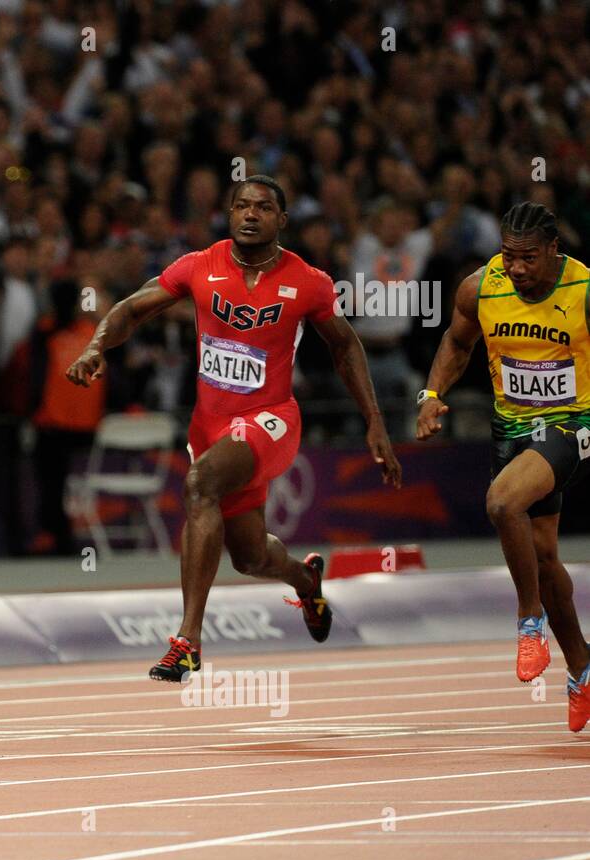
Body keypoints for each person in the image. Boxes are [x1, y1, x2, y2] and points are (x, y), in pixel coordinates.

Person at [67, 175, 402, 681]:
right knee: (249, 557)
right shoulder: (200, 265)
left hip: (271, 421)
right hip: (210, 425)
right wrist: (96, 345)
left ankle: (187, 641)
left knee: (199, 484)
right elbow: (131, 307)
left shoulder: (307, 281)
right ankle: (305, 580)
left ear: (281, 220)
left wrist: (374, 420)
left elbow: (345, 346)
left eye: (263, 208)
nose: (250, 214)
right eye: (241, 205)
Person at [416, 201, 590, 733]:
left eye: (528, 259)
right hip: (510, 428)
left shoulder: (583, 291)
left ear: (554, 252)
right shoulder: (480, 287)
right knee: (540, 556)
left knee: (501, 501)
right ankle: (582, 670)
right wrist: (431, 393)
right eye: (509, 256)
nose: (516, 268)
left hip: (570, 425)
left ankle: (528, 621)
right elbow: (456, 341)